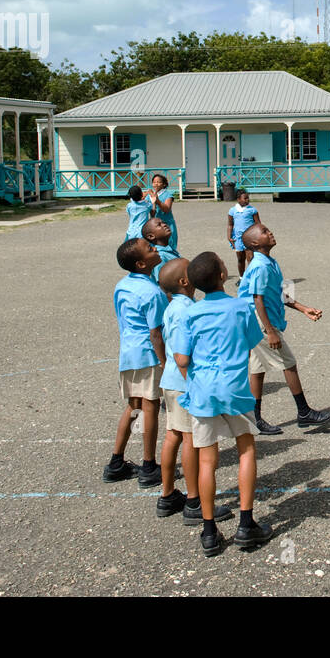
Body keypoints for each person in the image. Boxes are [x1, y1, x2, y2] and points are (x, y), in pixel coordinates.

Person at [175, 251, 272, 557]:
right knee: (246, 450)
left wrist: (193, 378)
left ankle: (208, 531)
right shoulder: (241, 307)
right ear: (221, 275)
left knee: (207, 460)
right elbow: (250, 341)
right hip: (235, 388)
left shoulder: (190, 312)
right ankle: (246, 523)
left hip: (203, 390)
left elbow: (181, 358)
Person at [237, 223, 330, 435]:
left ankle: (254, 419)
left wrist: (303, 308)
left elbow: (281, 292)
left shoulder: (270, 262)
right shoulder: (260, 266)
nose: (270, 232)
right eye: (264, 232)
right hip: (260, 322)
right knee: (288, 362)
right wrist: (270, 331)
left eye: (268, 229)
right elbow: (257, 299)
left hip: (261, 321)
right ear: (254, 243)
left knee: (257, 368)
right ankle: (304, 412)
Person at [155, 257, 220, 523]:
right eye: (189, 267)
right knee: (191, 440)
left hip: (170, 381)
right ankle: (194, 500)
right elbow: (185, 354)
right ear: (185, 281)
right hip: (183, 382)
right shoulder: (186, 311)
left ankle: (168, 493)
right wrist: (196, 384)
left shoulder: (174, 307)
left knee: (173, 435)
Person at [107, 237, 166, 487]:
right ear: (142, 263)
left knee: (134, 406)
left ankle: (116, 461)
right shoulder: (153, 292)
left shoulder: (122, 286)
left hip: (128, 353)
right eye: (151, 249)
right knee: (150, 405)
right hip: (147, 354)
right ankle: (149, 465)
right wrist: (165, 362)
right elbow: (157, 332)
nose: (156, 249)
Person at [227, 189, 262, 279]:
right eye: (245, 198)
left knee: (250, 258)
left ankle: (251, 278)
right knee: (240, 259)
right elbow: (230, 224)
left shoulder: (252, 210)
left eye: (248, 198)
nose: (247, 200)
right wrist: (229, 236)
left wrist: (259, 236)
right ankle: (241, 278)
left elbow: (258, 224)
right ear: (238, 199)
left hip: (250, 239)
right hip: (237, 239)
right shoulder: (232, 211)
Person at [148, 173, 178, 252]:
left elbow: (167, 209)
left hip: (167, 225)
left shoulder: (168, 195)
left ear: (164, 184)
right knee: (157, 247)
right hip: (156, 226)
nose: (156, 184)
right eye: (154, 182)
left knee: (169, 246)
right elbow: (152, 213)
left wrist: (157, 200)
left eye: (158, 182)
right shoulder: (150, 195)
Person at [142, 217, 179, 282]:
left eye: (164, 223)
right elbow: (162, 283)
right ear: (151, 236)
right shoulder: (160, 257)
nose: (164, 225)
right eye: (159, 225)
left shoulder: (168, 249)